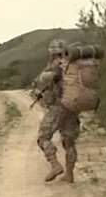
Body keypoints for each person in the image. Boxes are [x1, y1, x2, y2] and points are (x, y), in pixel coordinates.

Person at [33, 39, 79, 183]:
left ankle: (55, 165)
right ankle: (70, 174)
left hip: (57, 107)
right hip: (72, 107)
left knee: (43, 138)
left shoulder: (56, 65)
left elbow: (43, 80)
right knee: (69, 142)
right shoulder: (74, 65)